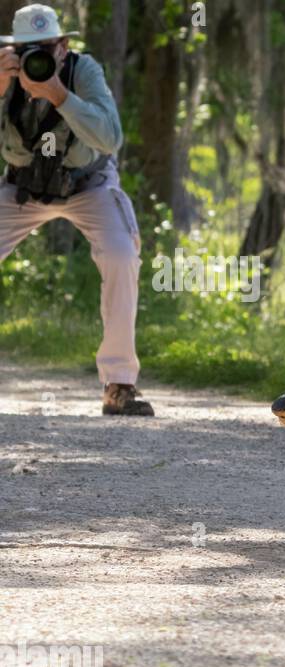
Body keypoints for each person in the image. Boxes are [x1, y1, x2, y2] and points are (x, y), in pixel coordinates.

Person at [0, 4, 151, 415]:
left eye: (45, 48)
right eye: (27, 50)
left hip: (89, 184)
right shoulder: (2, 75)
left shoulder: (83, 72)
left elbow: (111, 138)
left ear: (63, 47)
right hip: (22, 188)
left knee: (122, 257)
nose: (37, 58)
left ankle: (119, 384)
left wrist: (59, 96)